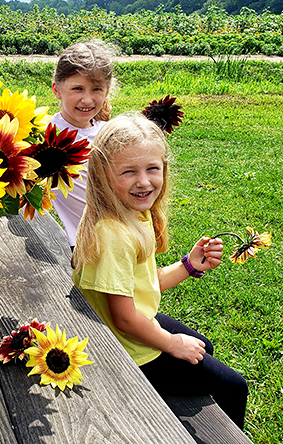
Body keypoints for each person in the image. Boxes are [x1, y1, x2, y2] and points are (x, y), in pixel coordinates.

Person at [72, 112, 248, 429]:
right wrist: (170, 343)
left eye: (152, 169)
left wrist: (189, 265)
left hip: (131, 326)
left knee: (203, 347)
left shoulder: (131, 213)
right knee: (234, 387)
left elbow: (145, 284)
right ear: (103, 175)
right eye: (128, 172)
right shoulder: (113, 235)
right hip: (126, 349)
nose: (144, 181)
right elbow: (125, 318)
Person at [49, 40, 116, 248]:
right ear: (57, 90)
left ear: (106, 92)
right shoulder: (48, 134)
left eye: (96, 89)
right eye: (77, 88)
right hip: (81, 241)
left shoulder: (108, 132)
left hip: (115, 233)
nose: (87, 99)